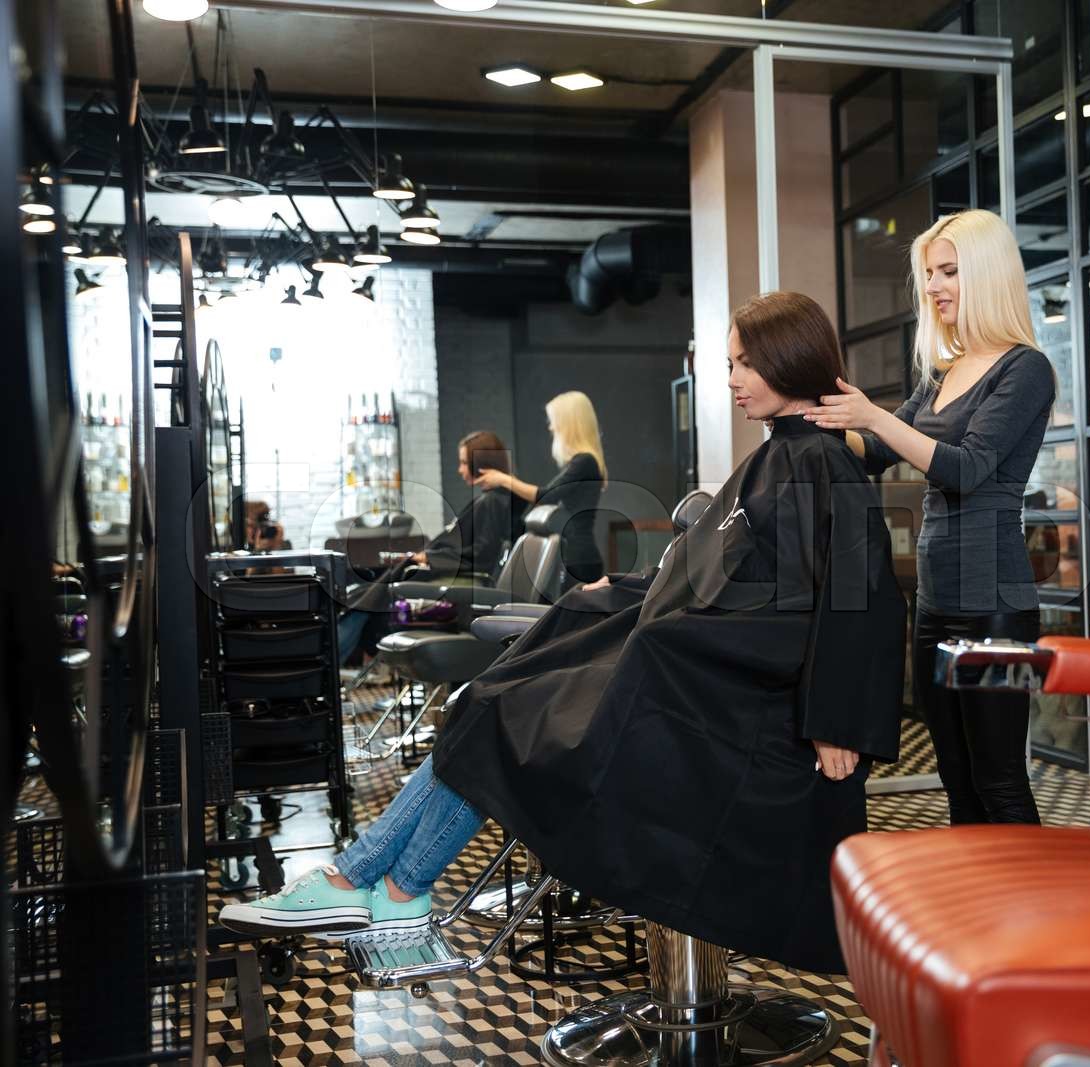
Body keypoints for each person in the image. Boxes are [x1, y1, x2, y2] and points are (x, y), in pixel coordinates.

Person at [221, 291, 906, 975]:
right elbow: (706, 576)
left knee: (500, 710)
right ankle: (383, 886)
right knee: (492, 698)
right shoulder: (774, 457)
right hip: (690, 681)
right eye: (730, 363)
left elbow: (857, 602)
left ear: (788, 359)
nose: (729, 379)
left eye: (744, 363)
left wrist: (836, 718)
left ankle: (377, 885)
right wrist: (627, 590)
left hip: (735, 715)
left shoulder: (819, 461)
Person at [805, 208, 1054, 826]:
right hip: (938, 601)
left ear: (989, 274)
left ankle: (1034, 918)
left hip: (994, 601)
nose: (934, 287)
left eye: (948, 271)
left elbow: (965, 468)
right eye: (929, 275)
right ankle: (974, 919)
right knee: (955, 775)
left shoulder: (1025, 368)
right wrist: (812, 414)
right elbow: (876, 452)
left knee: (998, 777)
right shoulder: (942, 373)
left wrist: (872, 416)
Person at [337, 431, 524, 664]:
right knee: (363, 594)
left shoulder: (493, 502)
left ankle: (335, 662)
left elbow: (481, 556)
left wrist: (430, 559)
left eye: (465, 463)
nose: (460, 469)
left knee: (367, 600)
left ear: (482, 465)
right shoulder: (492, 500)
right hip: (446, 571)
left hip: (460, 582)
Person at [471, 391, 607, 589]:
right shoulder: (579, 462)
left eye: (554, 421)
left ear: (570, 424)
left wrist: (504, 479)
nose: (551, 427)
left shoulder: (584, 462)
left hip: (580, 559)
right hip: (573, 555)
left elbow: (547, 495)